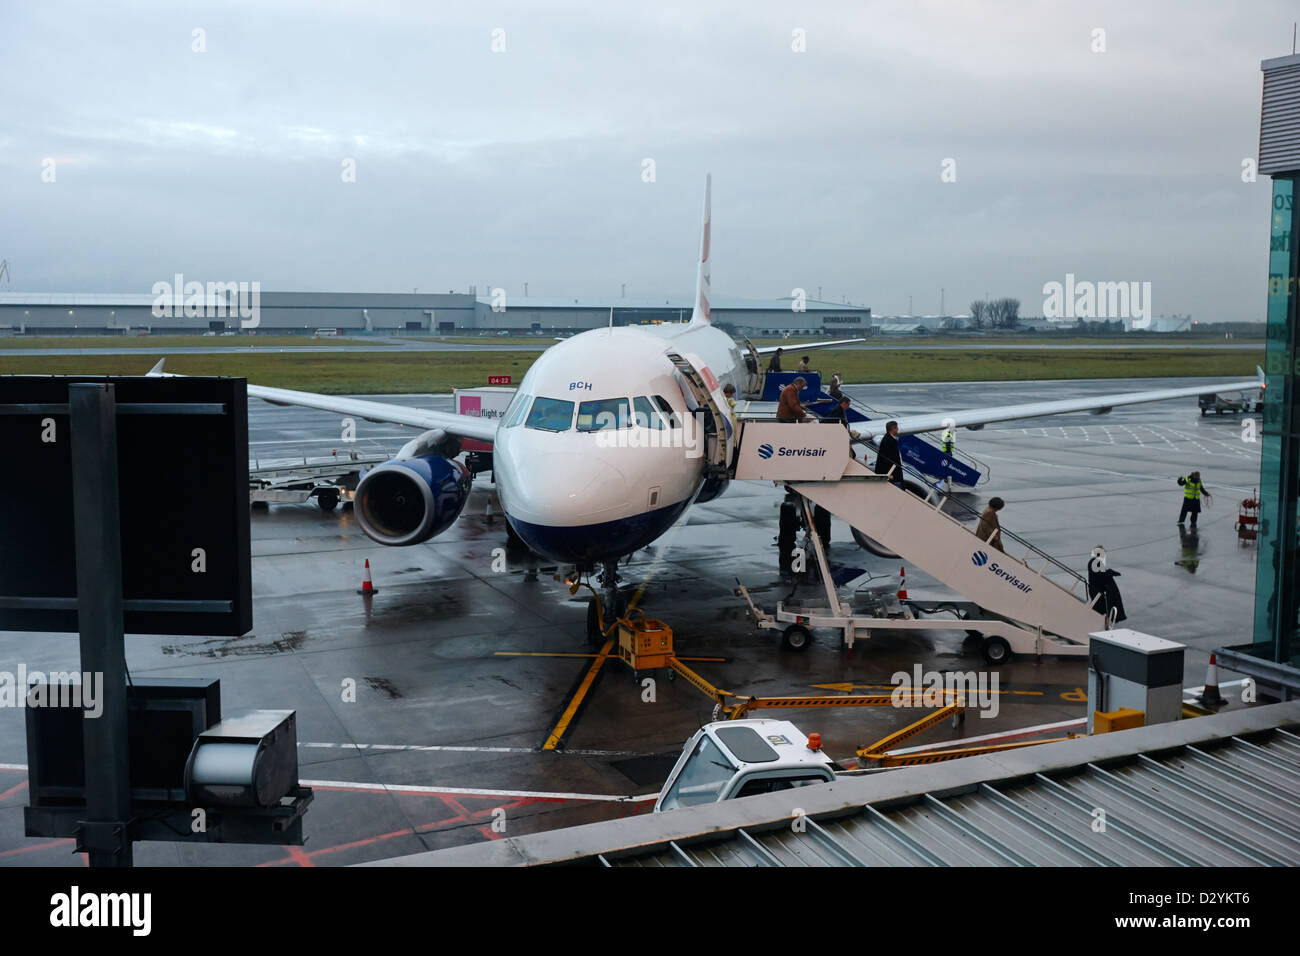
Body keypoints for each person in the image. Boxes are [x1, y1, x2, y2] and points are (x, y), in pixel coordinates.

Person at [1086, 545, 1127, 624]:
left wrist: (1109, 573)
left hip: (1096, 590)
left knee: (1100, 608)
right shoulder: (1095, 562)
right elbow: (1100, 575)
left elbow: (1100, 575)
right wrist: (1110, 572)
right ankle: (1094, 623)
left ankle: (1098, 622)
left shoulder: (1095, 562)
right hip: (1096, 590)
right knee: (1100, 607)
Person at [874, 420, 903, 485]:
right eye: (896, 427)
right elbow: (885, 459)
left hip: (892, 472)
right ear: (893, 429)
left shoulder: (889, 439)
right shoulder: (888, 441)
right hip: (891, 474)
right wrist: (888, 474)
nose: (898, 429)